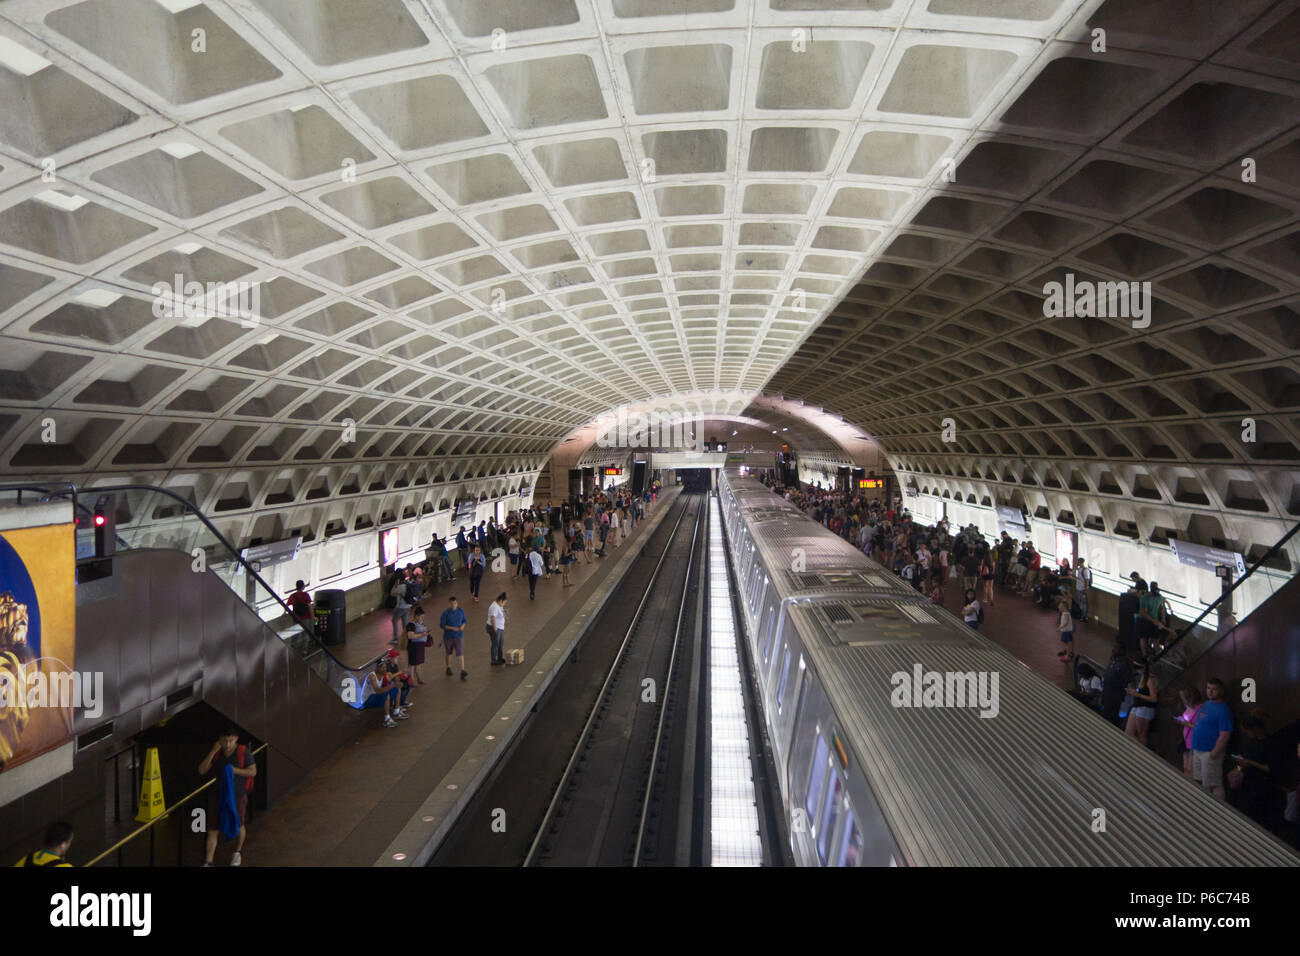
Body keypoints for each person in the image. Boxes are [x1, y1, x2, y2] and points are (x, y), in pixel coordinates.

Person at [199, 728, 257, 866]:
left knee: (238, 825)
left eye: (231, 740)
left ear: (236, 739)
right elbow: (202, 770)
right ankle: (208, 861)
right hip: (217, 795)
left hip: (237, 796)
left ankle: (237, 852)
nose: (228, 744)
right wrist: (213, 751)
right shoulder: (217, 753)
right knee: (213, 828)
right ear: (219, 740)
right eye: (224, 741)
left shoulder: (243, 752)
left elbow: (253, 772)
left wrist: (233, 770)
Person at [1191, 677, 1234, 800]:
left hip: (1209, 752)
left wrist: (1214, 753)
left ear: (1221, 691)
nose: (1210, 692)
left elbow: (1225, 734)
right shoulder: (1206, 704)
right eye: (1208, 688)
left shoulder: (1223, 710)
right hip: (1198, 749)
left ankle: (1218, 812)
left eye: (1214, 689)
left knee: (1214, 784)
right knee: (1201, 781)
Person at [362, 659, 407, 727]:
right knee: (386, 693)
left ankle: (396, 712)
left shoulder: (383, 674)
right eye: (382, 667)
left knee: (397, 689)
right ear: (377, 668)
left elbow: (390, 680)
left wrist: (396, 681)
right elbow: (377, 690)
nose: (385, 669)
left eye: (385, 667)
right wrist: (393, 685)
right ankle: (387, 719)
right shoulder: (372, 676)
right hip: (367, 701)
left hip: (376, 697)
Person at [1124, 661, 1158, 747]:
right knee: (1129, 732)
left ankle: (1144, 754)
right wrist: (1134, 692)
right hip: (1138, 706)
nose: (1137, 672)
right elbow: (1143, 692)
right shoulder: (1143, 677)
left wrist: (1137, 694)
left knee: (1141, 735)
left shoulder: (1150, 679)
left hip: (1145, 709)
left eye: (1138, 669)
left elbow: (1154, 698)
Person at [1174, 687, 1204, 777]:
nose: (1182, 700)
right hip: (1186, 740)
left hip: (1195, 742)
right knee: (1186, 768)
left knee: (1191, 769)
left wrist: (1186, 723)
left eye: (1183, 697)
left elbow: (1203, 729)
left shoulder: (1201, 709)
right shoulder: (1188, 707)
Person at [440, 596, 468, 680]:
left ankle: (462, 670)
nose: (453, 605)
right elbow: (442, 625)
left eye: (455, 603)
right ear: (449, 604)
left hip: (459, 636)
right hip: (448, 636)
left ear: (457, 603)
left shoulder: (461, 611)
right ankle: (448, 667)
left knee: (460, 652)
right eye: (452, 603)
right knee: (449, 653)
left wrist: (463, 626)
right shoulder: (445, 613)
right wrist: (452, 628)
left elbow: (464, 621)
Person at [405, 605, 430, 684]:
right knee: (412, 664)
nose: (422, 618)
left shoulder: (421, 623)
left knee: (418, 663)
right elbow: (411, 636)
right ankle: (411, 681)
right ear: (416, 616)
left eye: (423, 617)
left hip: (420, 647)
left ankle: (419, 679)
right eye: (421, 617)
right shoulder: (411, 625)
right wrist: (423, 634)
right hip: (413, 647)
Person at [390, 567, 412, 645]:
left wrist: (395, 585)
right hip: (408, 606)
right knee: (405, 622)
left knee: (394, 621)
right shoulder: (407, 584)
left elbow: (392, 593)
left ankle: (396, 638)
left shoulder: (400, 587)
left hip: (401, 607)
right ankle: (406, 636)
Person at [487, 592, 507, 666]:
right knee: (495, 644)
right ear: (501, 600)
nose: (504, 604)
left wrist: (504, 613)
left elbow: (500, 613)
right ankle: (493, 660)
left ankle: (500, 658)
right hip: (494, 628)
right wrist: (495, 629)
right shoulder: (494, 607)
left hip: (499, 628)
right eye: (504, 602)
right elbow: (493, 618)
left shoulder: (499, 605)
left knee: (501, 643)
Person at [1055, 595, 1075, 662]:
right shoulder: (1065, 613)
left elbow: (1066, 623)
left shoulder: (1066, 614)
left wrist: (1059, 628)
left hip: (1066, 630)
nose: (1059, 608)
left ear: (1064, 607)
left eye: (1060, 607)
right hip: (1066, 630)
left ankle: (1068, 655)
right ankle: (1068, 653)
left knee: (1067, 643)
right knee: (1068, 642)